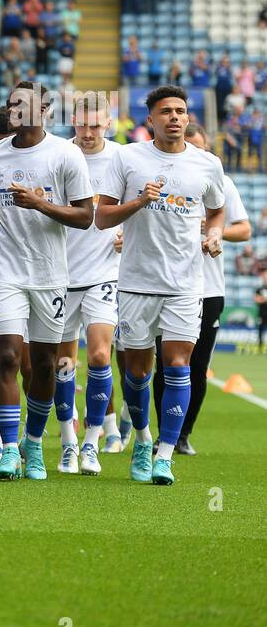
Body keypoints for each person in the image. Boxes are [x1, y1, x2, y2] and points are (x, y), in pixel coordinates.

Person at [96, 85, 225, 486]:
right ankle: (141, 436)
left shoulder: (207, 164)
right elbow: (101, 217)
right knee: (136, 373)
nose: (174, 117)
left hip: (187, 284)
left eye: (180, 111)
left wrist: (215, 234)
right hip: (136, 282)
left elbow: (217, 211)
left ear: (187, 118)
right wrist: (138, 202)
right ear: (150, 119)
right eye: (165, 111)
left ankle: (165, 454)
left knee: (178, 365)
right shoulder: (127, 157)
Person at [0, 81, 94, 481]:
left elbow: (85, 216)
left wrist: (40, 203)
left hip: (50, 275)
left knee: (43, 365)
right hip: (6, 273)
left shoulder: (66, 154)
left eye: (23, 105)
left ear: (44, 111)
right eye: (11, 104)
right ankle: (9, 449)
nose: (15, 110)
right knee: (6, 356)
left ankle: (34, 444)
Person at [150, 124, 250, 456]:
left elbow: (244, 228)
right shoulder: (162, 180)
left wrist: (215, 231)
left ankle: (183, 433)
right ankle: (165, 432)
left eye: (200, 148)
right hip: (167, 284)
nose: (194, 154)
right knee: (165, 364)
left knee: (196, 365)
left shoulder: (219, 181)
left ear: (207, 151)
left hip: (208, 288)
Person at [53, 92, 125, 476]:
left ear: (109, 123)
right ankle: (68, 441)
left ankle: (93, 440)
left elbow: (137, 207)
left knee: (99, 355)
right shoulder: (59, 155)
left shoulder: (122, 159)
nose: (88, 132)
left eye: (96, 125)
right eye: (81, 124)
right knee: (63, 362)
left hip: (103, 273)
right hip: (61, 276)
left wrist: (127, 233)